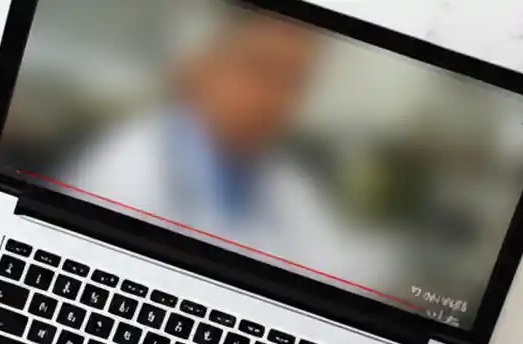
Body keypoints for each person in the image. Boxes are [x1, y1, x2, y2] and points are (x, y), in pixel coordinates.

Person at [64, 6, 392, 291]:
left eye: (292, 81)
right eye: (259, 69)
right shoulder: (128, 167)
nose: (274, 98)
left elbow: (335, 263)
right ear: (202, 67)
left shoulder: (282, 181)